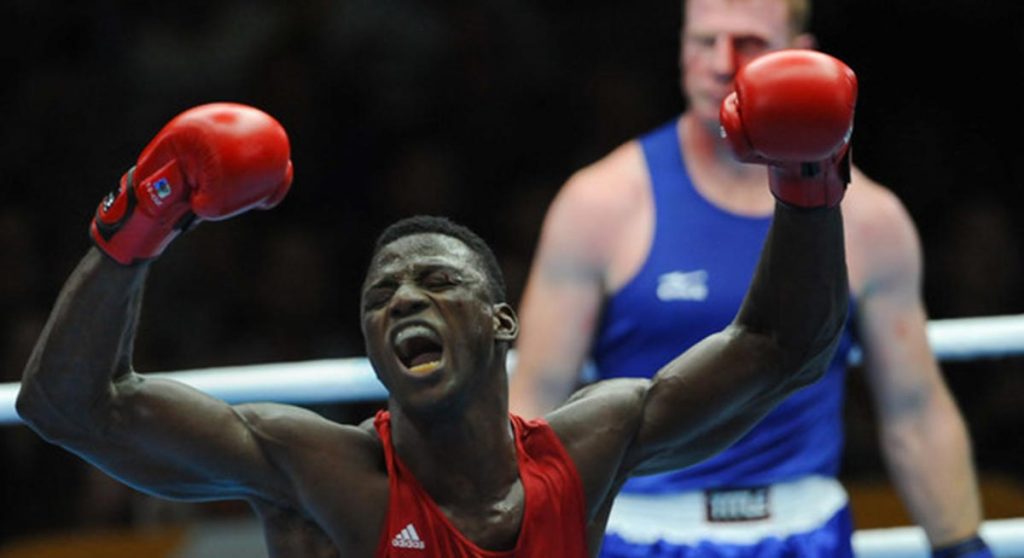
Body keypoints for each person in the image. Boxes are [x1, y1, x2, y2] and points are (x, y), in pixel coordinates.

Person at [18, 56, 852, 558]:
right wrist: (141, 220)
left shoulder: (589, 449)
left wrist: (809, 181)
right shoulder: (315, 470)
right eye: (380, 296)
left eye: (436, 283)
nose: (404, 299)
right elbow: (68, 407)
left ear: (501, 323)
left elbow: (785, 347)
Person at [509, 1, 991, 557]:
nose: (721, 63)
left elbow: (915, 412)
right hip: (638, 527)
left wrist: (963, 549)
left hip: (805, 528)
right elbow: (536, 402)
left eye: (749, 43)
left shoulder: (868, 220)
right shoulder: (600, 205)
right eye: (703, 41)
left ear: (800, 56)